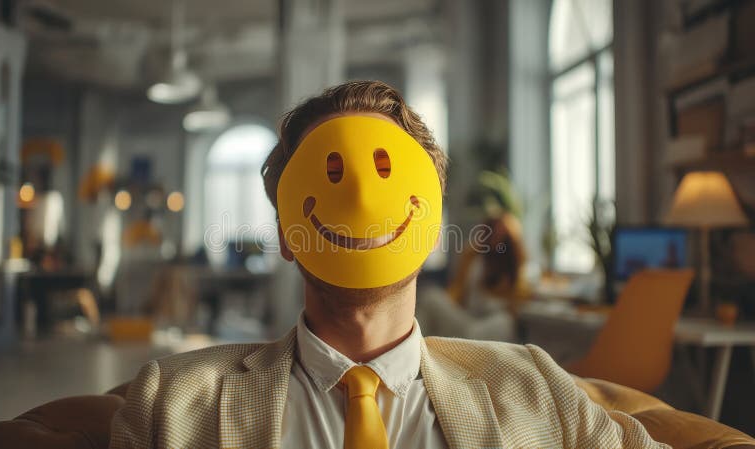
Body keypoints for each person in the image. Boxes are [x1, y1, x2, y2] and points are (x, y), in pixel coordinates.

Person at [110, 81, 667, 449]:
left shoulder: (536, 387)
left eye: (385, 170)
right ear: (285, 234)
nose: (361, 200)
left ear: (429, 224)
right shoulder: (171, 404)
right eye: (331, 174)